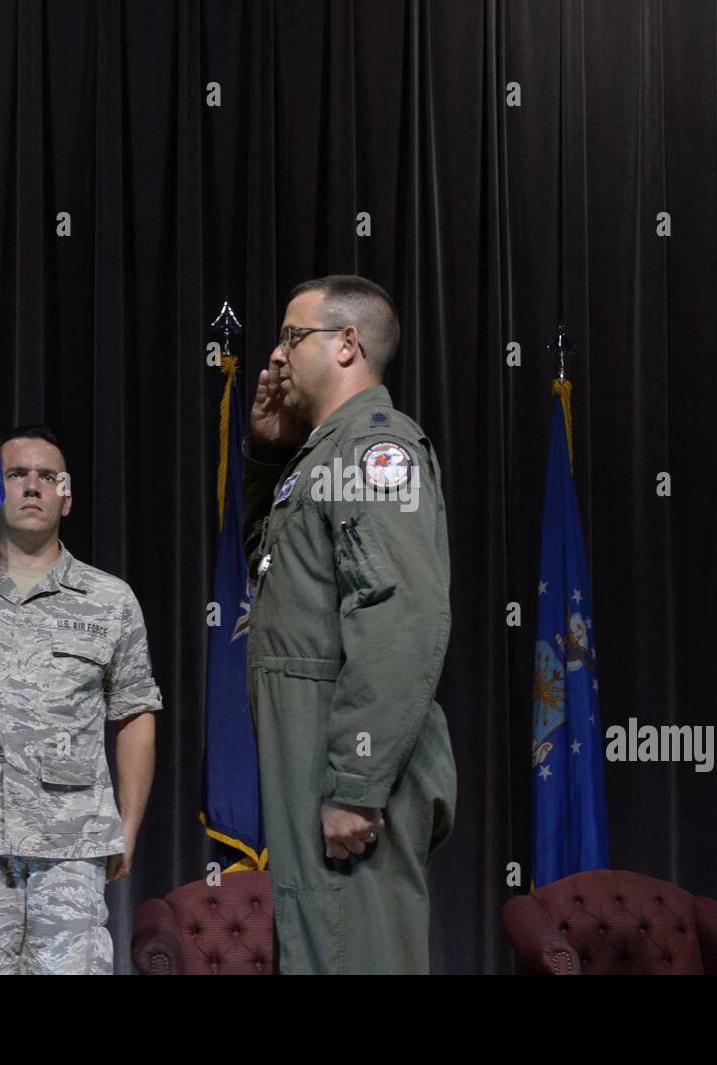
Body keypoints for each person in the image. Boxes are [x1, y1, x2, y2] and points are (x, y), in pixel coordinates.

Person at [242, 274, 457, 973]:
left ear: (347, 345)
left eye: (291, 336)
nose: (275, 356)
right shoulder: (319, 458)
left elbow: (399, 614)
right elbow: (279, 581)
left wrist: (357, 783)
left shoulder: (374, 449)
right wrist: (267, 458)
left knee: (351, 953)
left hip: (350, 768)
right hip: (312, 759)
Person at [0, 425, 160, 974]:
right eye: (15, 475)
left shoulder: (110, 599)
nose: (32, 487)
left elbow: (134, 713)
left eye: (46, 477)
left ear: (66, 495)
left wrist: (126, 827)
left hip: (72, 848)